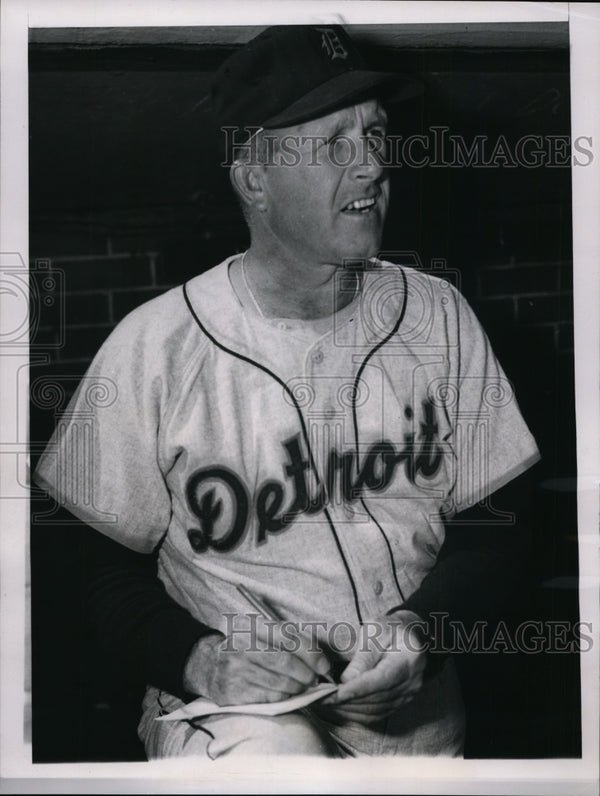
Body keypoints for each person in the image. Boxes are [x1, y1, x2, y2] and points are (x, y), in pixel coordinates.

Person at [34, 25, 540, 759]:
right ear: (255, 179)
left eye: (374, 133)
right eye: (335, 143)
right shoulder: (155, 345)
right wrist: (195, 655)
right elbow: (82, 565)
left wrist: (421, 629)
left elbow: (498, 523)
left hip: (417, 717)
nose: (370, 164)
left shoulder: (439, 314)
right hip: (237, 716)